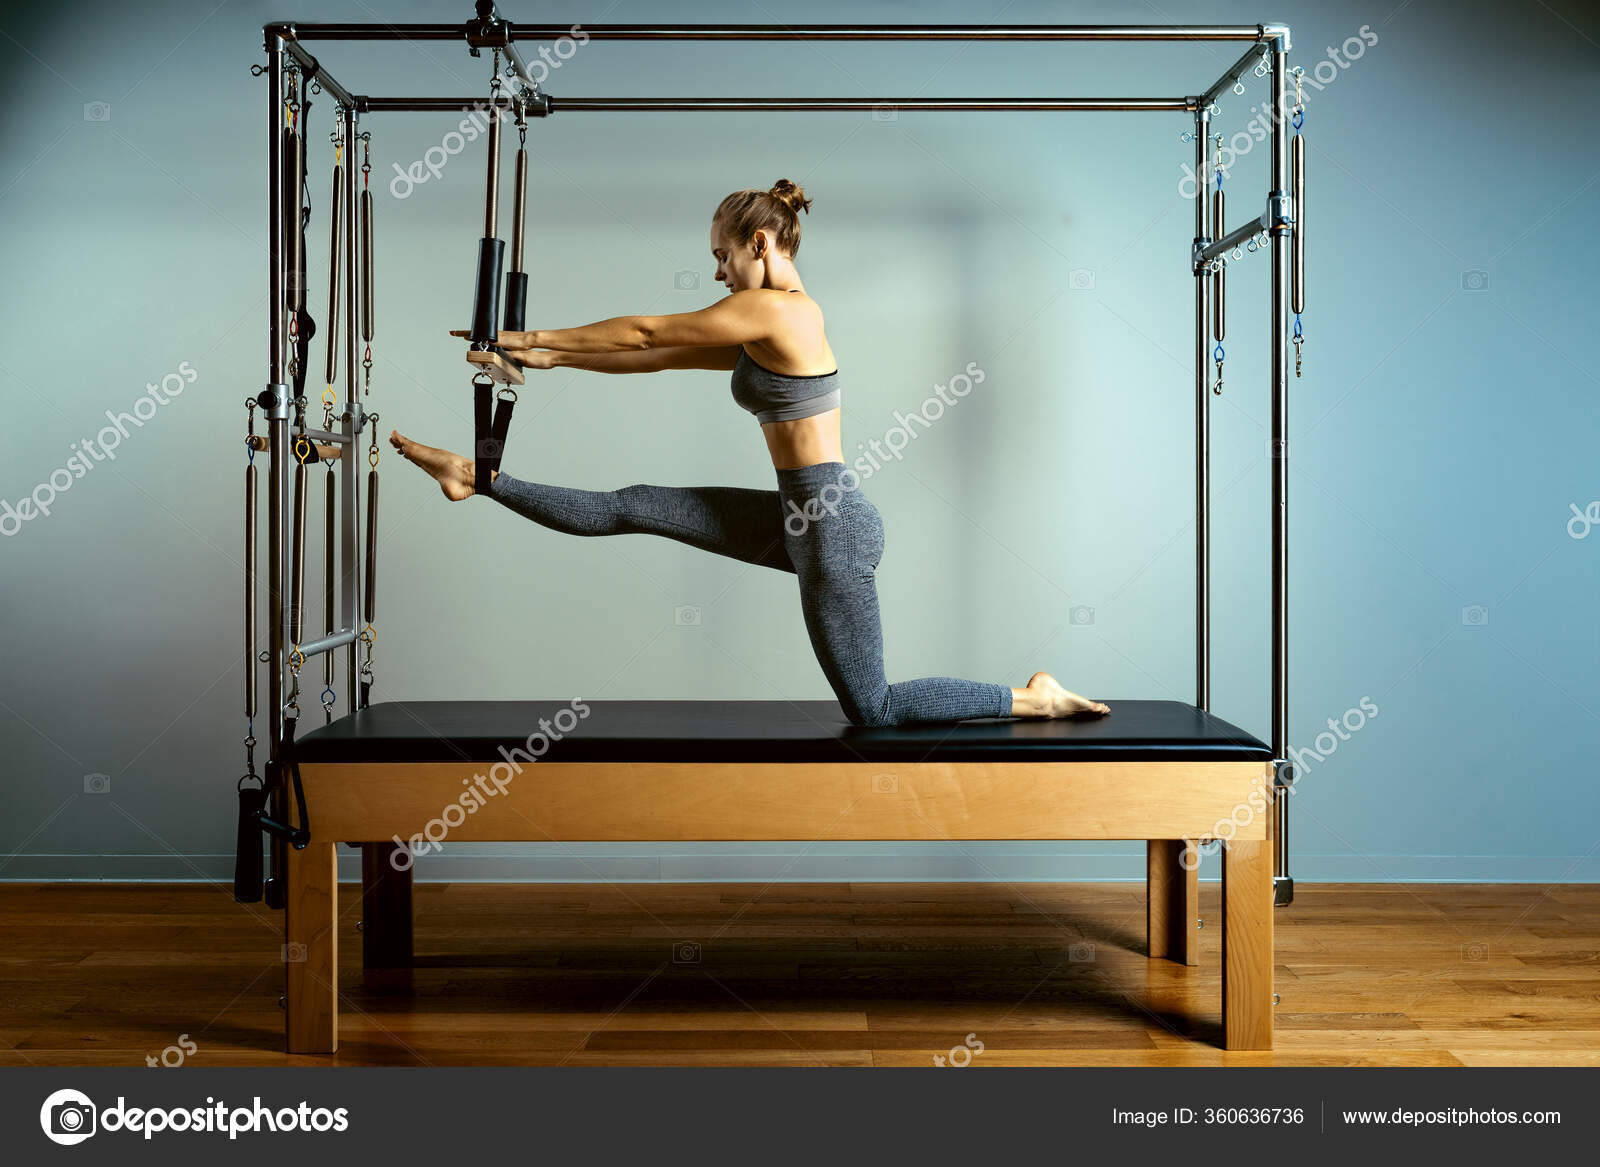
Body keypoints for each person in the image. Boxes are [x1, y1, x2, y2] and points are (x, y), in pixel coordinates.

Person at [391, 179, 1110, 727]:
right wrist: (549, 360)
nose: (718, 273)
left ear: (761, 243)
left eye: (722, 256)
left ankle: (1031, 697)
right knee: (633, 505)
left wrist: (533, 335)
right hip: (808, 520)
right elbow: (658, 357)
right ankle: (477, 476)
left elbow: (645, 330)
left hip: (830, 532)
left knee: (877, 708)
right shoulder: (766, 327)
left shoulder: (782, 310)